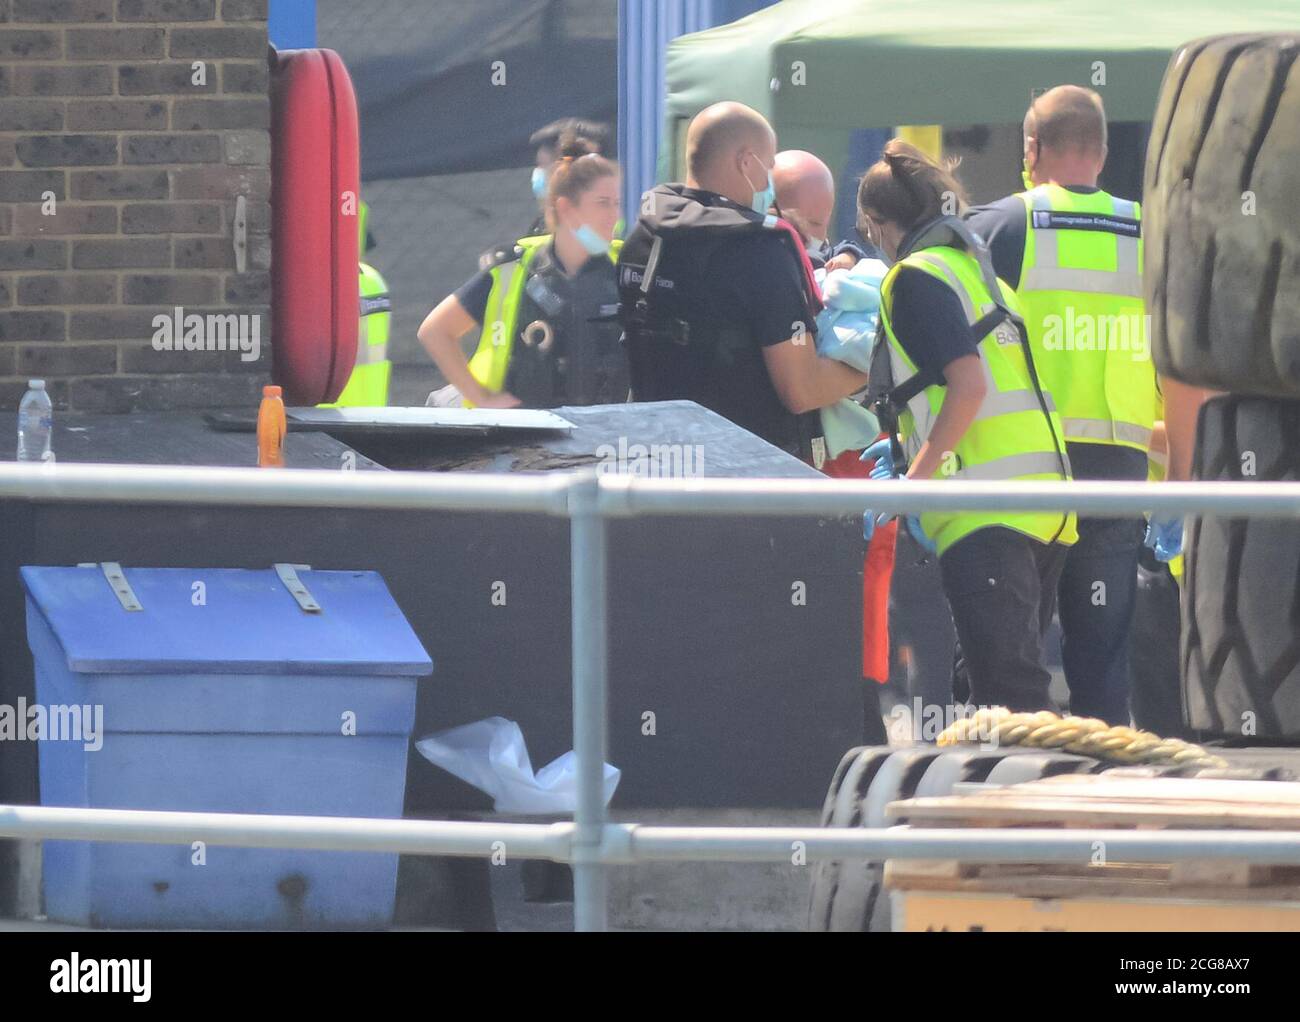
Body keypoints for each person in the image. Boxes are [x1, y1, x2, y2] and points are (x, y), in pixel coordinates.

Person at [859, 139, 1077, 712]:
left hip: (987, 511)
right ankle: (999, 795)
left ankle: (1040, 800)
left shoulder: (914, 277)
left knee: (1010, 699)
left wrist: (917, 482)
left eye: (868, 230)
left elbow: (969, 385)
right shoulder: (981, 277)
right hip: (1044, 506)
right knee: (983, 689)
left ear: (879, 224)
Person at [965, 85, 1159, 725]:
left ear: (1031, 149)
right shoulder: (1149, 233)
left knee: (1010, 657)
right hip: (1122, 470)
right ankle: (1102, 799)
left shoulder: (1003, 224)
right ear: (1102, 153)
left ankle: (1008, 797)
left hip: (1029, 470)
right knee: (1102, 661)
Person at [617, 102, 866, 462]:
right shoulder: (761, 251)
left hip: (657, 464)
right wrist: (872, 366)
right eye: (768, 166)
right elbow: (802, 389)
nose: (768, 183)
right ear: (746, 162)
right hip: (748, 476)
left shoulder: (642, 241)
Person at [418, 132, 628, 409]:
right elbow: (435, 332)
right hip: (522, 440)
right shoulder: (513, 269)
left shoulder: (626, 268)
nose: (615, 215)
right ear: (566, 208)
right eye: (603, 203)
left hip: (601, 440)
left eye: (616, 203)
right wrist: (482, 397)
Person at [771, 149, 875, 271]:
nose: (807, 235)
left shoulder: (824, 257)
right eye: (794, 223)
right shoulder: (757, 251)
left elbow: (840, 251)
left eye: (816, 224)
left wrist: (848, 256)